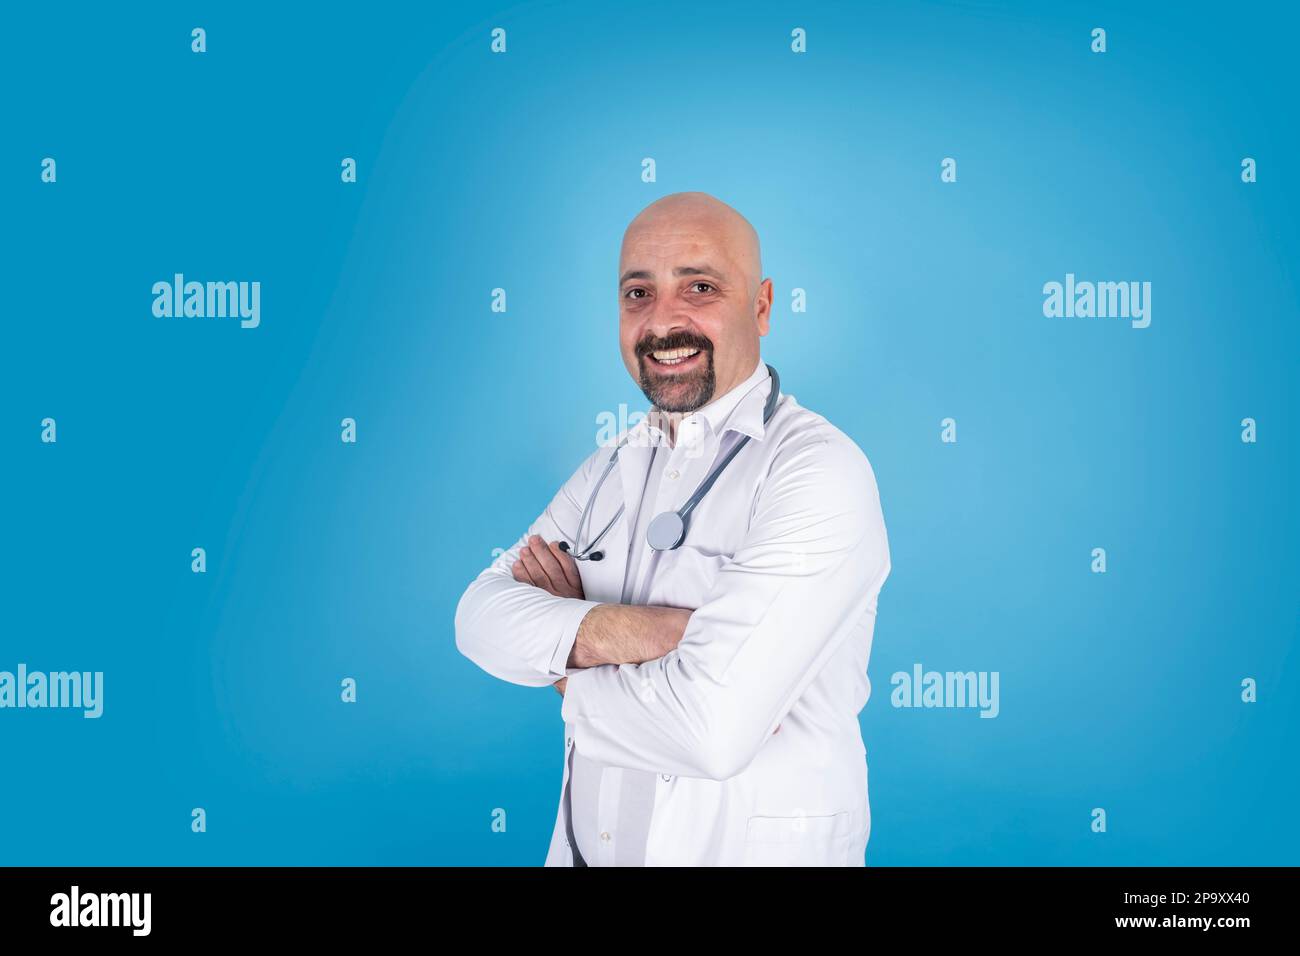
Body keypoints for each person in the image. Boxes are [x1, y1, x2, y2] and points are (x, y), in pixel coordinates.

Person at [455, 191, 891, 866]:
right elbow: (478, 617)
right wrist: (646, 632)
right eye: (638, 292)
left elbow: (711, 730)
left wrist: (562, 661)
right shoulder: (610, 465)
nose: (663, 321)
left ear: (763, 305)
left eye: (701, 286)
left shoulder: (818, 469)